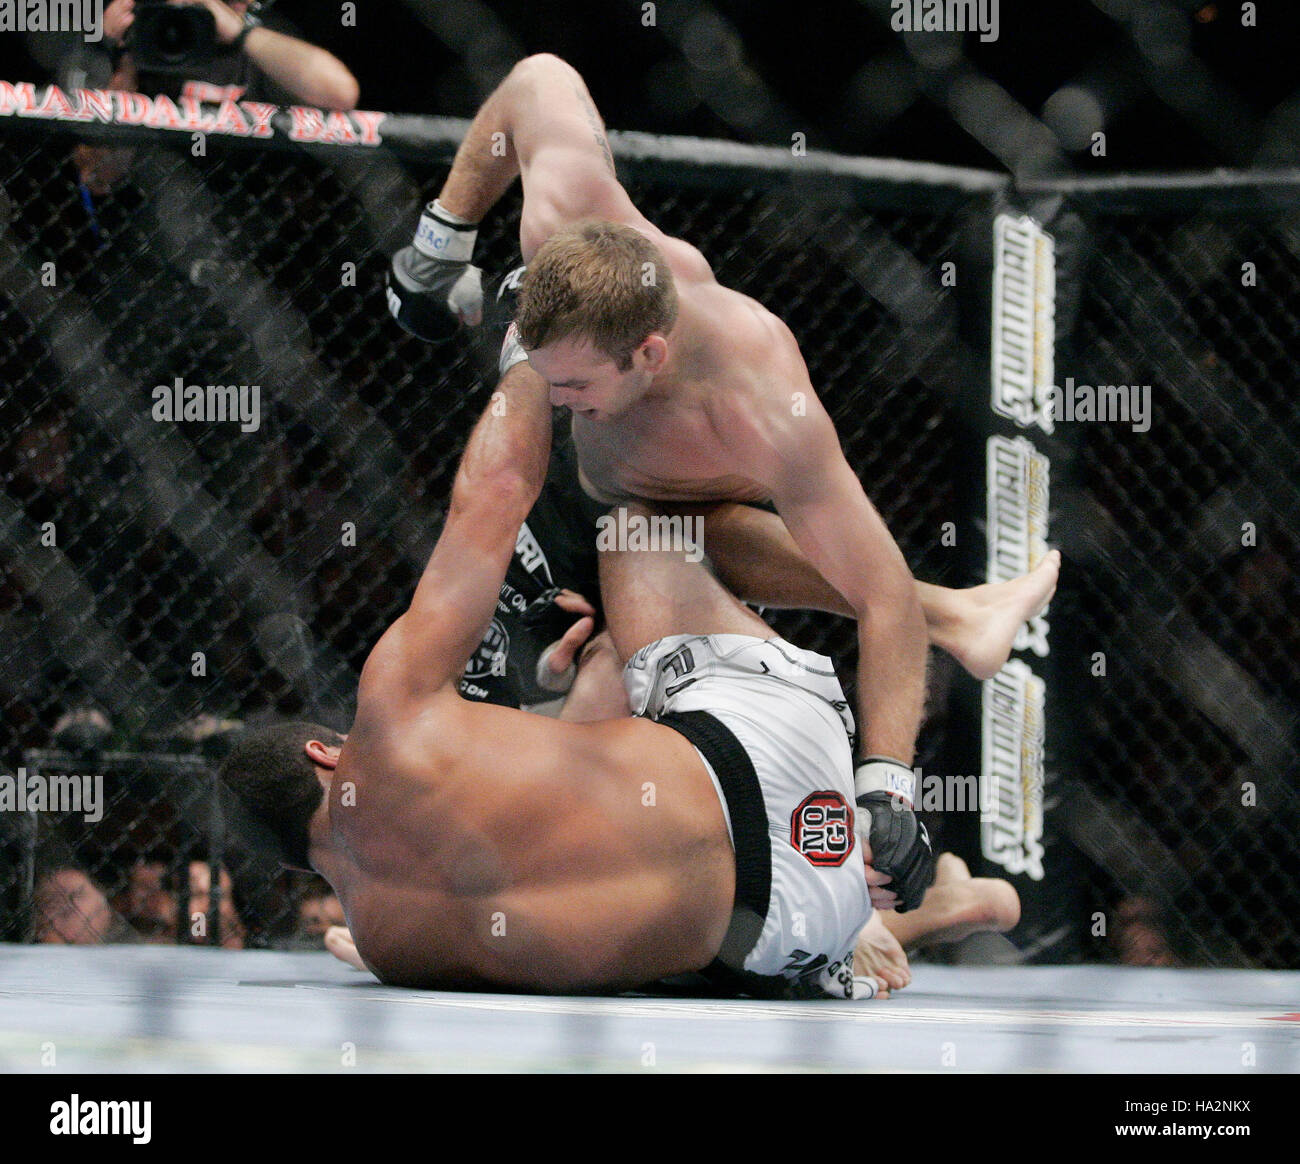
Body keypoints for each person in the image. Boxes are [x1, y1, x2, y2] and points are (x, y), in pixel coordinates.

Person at [387, 54, 1063, 909]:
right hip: (583, 492)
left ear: (650, 354)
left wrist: (890, 783)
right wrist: (438, 240)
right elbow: (537, 79)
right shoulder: (565, 224)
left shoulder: (762, 407)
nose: (551, 400)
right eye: (547, 375)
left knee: (597, 708)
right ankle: (961, 617)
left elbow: (880, 593)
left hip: (658, 523)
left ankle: (923, 904)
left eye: (576, 387)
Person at [219, 358, 891, 998]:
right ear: (323, 752)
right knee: (637, 527)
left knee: (604, 670)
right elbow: (496, 492)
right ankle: (917, 605)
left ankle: (920, 906)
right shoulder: (388, 724)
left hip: (781, 936)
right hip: (769, 756)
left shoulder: (392, 950)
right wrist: (529, 356)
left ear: (288, 861)